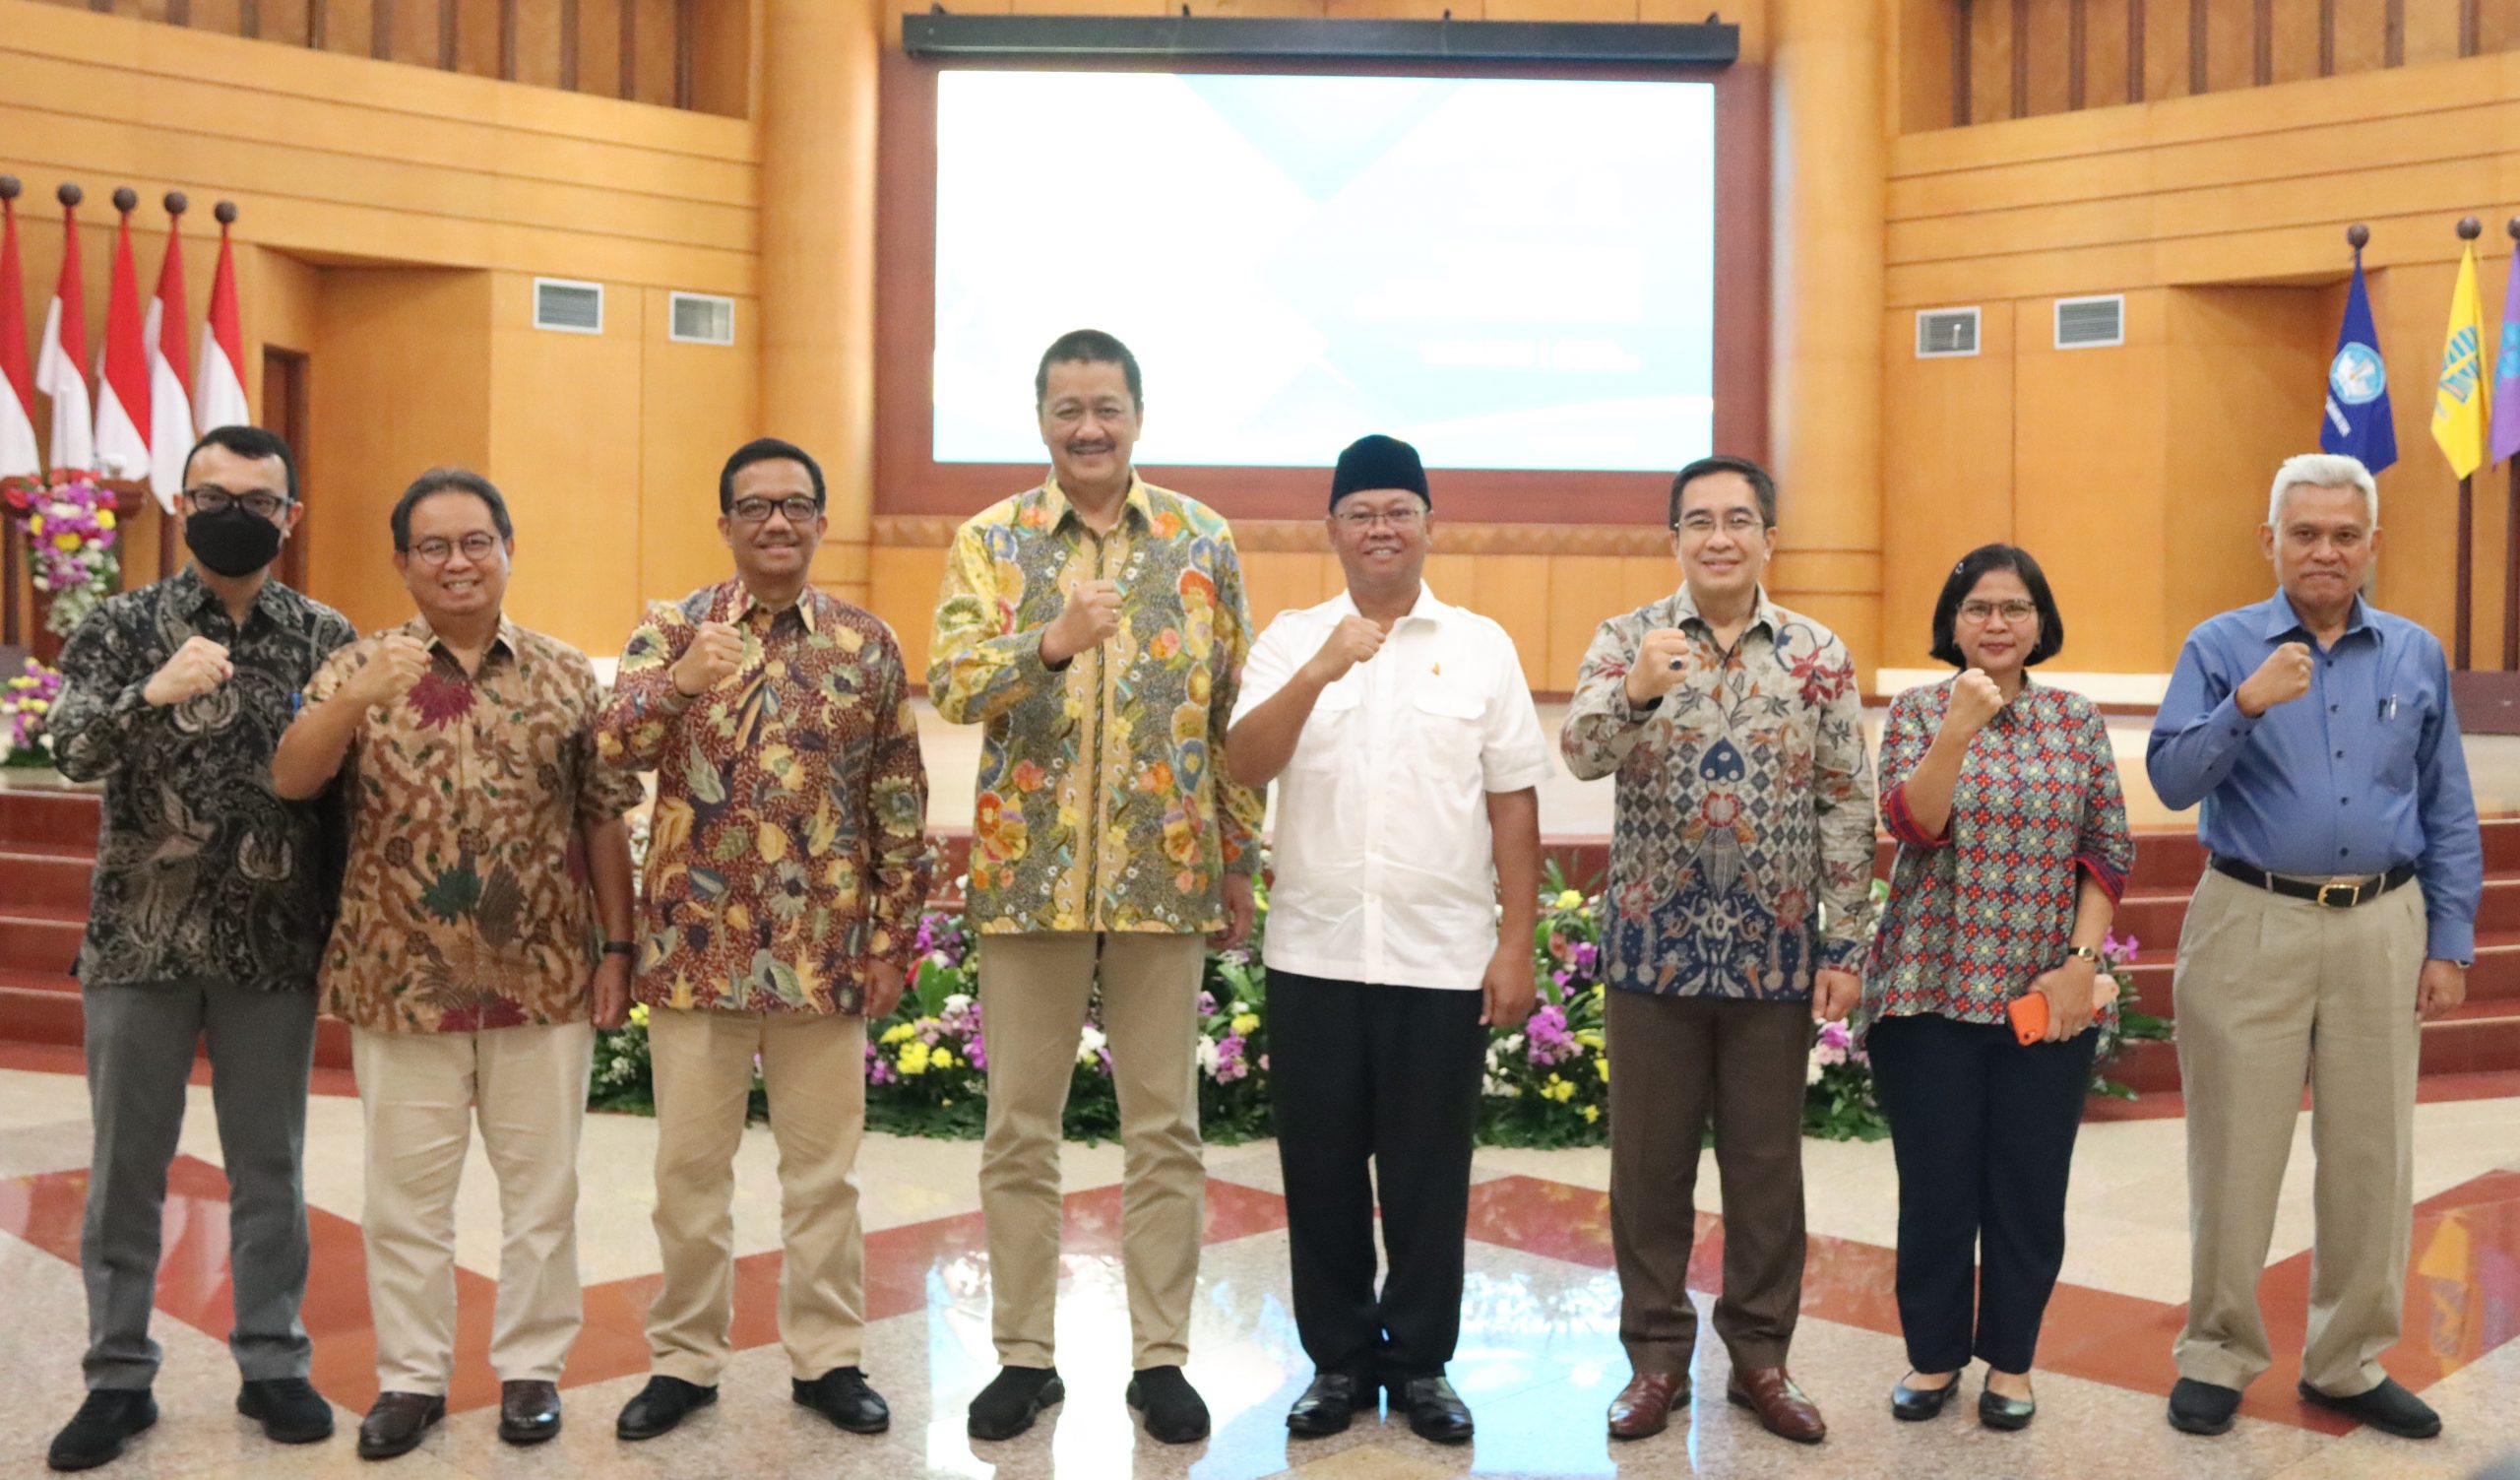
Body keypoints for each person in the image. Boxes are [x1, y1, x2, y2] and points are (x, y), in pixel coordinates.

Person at [929, 329, 1263, 1447]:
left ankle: (1160, 1356)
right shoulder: (993, 541)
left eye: (1106, 407)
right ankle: (1024, 1355)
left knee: (1163, 1126)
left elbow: (1226, 715)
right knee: (1020, 1130)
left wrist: (1235, 853)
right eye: (1068, 408)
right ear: (1039, 419)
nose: (1088, 428)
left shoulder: (1199, 541)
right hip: (1029, 880)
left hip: (1163, 876)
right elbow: (953, 681)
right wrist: (1053, 641)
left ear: (1136, 415)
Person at [270, 468, 642, 1458]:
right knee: (404, 1198)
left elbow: (602, 818)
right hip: (401, 977)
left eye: (475, 541)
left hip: (544, 976)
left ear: (508, 548)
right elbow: (291, 779)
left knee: (542, 1191)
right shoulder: (361, 666)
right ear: (403, 564)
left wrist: (619, 947)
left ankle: (529, 1371)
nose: (457, 561)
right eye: (433, 547)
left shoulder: (566, 675)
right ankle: (411, 1378)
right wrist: (352, 702)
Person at [596, 437, 932, 1444]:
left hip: (823, 953)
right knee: (688, 1176)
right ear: (727, 525)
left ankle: (826, 1358)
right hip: (696, 954)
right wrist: (681, 683)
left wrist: (892, 941)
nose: (775, 522)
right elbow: (608, 757)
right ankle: (685, 1362)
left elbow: (897, 800)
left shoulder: (865, 644)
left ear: (822, 522)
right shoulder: (671, 633)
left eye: (794, 506)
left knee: (822, 1177)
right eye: (755, 507)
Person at [1224, 434, 1550, 1446]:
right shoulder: (1289, 638)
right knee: (1318, 1169)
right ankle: (1334, 1362)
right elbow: (1243, 763)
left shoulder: (1482, 644)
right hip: (1315, 952)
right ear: (1331, 530)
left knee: (1426, 1171)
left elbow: (1512, 804)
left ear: (1426, 526)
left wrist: (1516, 943)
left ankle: (1418, 1366)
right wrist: (1320, 670)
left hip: (1439, 953)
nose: (1379, 528)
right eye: (1360, 512)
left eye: (1397, 510)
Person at [2149, 453, 2480, 1442]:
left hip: (2383, 923)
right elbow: (2170, 779)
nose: (2325, 551)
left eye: (2344, 534)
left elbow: (2446, 806)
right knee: (2234, 1151)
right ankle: (2216, 1352)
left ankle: (2345, 1361)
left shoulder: (2415, 653)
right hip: (2251, 917)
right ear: (2270, 542)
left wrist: (2449, 941)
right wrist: (2245, 703)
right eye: (2305, 533)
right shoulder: (2219, 645)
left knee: (2371, 1156)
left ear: (2371, 545)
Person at [42, 425, 354, 1473]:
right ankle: (116, 1377)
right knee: (127, 1169)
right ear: (180, 506)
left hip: (273, 945)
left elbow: (351, 794)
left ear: (289, 519)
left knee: (269, 1166)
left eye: (257, 501)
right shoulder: (121, 625)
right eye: (213, 494)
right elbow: (70, 750)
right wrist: (152, 693)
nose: (235, 513)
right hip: (141, 938)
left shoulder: (324, 634)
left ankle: (273, 1361)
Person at [1561, 454, 1874, 1447]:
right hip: (1652, 953)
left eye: (1739, 518)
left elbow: (1845, 800)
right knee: (1646, 1170)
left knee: (1764, 1169)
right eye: (1697, 520)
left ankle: (1759, 1359)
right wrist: (1639, 692)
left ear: (1768, 538)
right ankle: (1654, 1361)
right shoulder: (1626, 640)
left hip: (1773, 956)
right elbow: (1578, 752)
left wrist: (1846, 938)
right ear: (1674, 539)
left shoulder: (1818, 653)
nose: (1719, 536)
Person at [1862, 543, 2133, 1433]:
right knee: (1935, 1185)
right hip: (1928, 989)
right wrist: (1956, 731)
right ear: (1952, 623)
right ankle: (1935, 1354)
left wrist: (2081, 965)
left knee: (2027, 1185)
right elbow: (1916, 824)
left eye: (2014, 608)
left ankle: (2011, 1360)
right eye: (1978, 608)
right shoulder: (1914, 712)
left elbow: (2107, 846)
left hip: (2044, 998)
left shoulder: (2075, 719)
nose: (1996, 624)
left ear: (2040, 623)